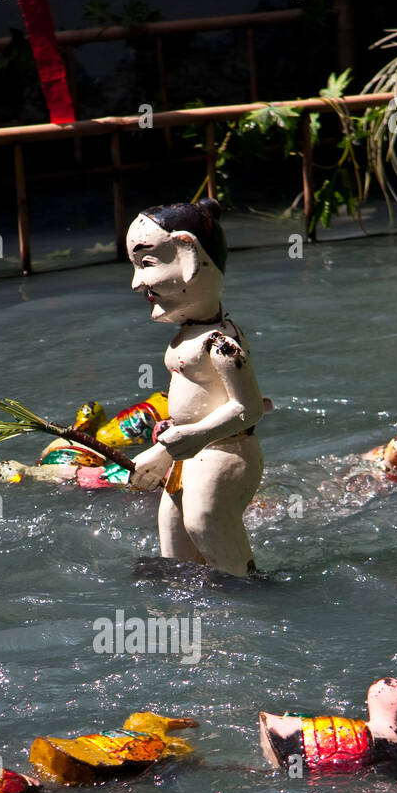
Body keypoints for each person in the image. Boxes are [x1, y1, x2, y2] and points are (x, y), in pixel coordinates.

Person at [127, 199, 265, 577]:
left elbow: (249, 409)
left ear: (189, 255)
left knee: (205, 520)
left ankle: (247, 595)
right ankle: (187, 615)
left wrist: (197, 434)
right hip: (187, 453)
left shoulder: (221, 344)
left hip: (225, 449)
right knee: (173, 541)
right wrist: (161, 453)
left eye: (147, 264)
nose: (136, 283)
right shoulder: (189, 334)